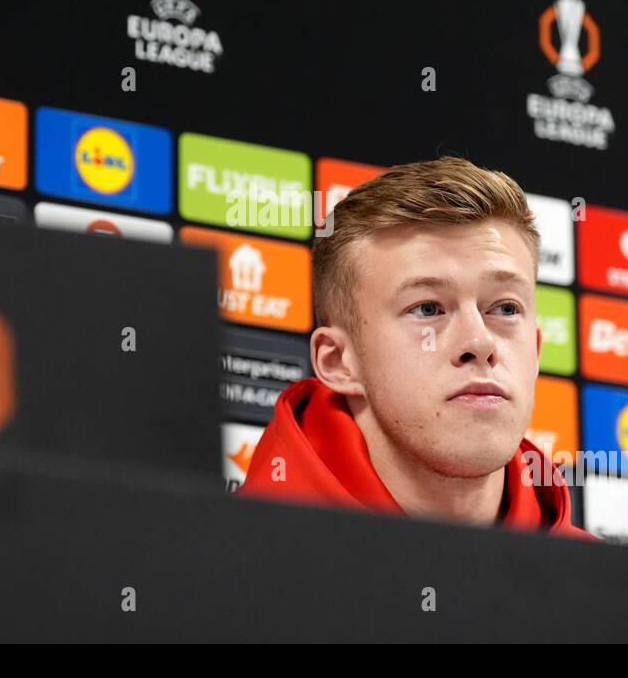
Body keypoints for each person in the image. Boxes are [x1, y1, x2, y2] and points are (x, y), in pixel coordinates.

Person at [239, 156, 596, 540]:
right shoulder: (222, 565)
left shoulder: (610, 589)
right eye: (428, 309)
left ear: (537, 351)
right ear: (339, 361)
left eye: (505, 308)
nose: (479, 343)